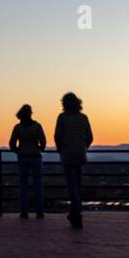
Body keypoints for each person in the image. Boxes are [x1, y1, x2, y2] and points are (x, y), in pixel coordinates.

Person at [53, 92, 93, 228]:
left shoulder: (62, 118)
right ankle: (74, 213)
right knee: (77, 185)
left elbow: (57, 136)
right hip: (80, 154)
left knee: (72, 187)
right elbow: (90, 137)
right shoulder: (83, 117)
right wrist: (83, 147)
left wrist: (61, 150)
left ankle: (76, 215)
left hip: (68, 154)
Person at [9, 104, 47, 218]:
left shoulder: (17, 127)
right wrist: (38, 148)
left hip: (23, 157)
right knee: (38, 185)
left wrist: (19, 151)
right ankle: (39, 212)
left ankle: (24, 211)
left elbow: (11, 144)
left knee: (23, 185)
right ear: (30, 113)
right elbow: (43, 143)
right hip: (35, 157)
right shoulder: (37, 126)